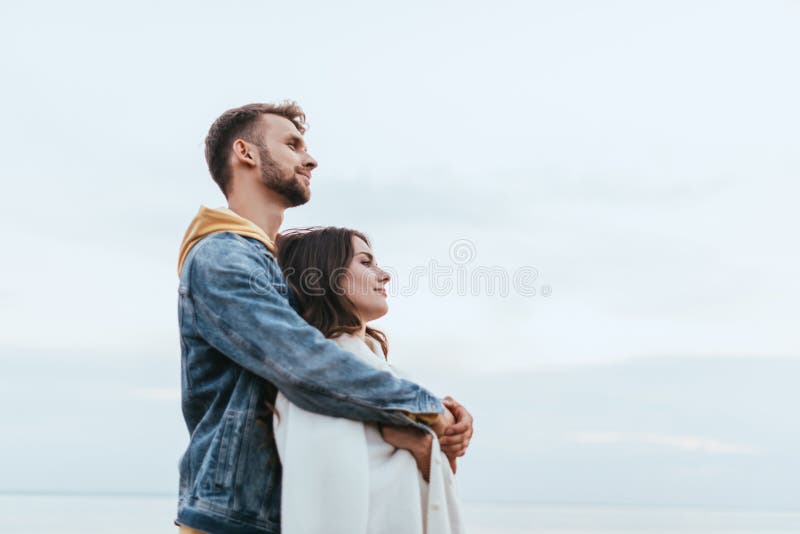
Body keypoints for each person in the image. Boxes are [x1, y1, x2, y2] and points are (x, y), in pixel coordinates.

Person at [175, 102, 474, 534]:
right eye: (292, 145)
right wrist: (422, 409)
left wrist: (428, 427)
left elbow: (327, 379)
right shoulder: (222, 256)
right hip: (234, 519)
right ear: (246, 153)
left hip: (276, 513)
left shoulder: (264, 265)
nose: (309, 159)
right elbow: (302, 363)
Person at [273, 226, 466, 534]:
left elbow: (436, 485)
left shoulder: (387, 374)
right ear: (325, 275)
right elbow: (324, 504)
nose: (384, 275)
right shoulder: (319, 377)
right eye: (365, 262)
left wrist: (428, 443)